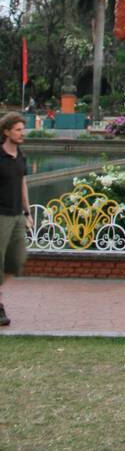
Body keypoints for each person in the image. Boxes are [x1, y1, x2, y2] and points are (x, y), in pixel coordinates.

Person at [0, 113, 32, 328]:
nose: (22, 133)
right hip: (0, 215)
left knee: (16, 260)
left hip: (17, 215)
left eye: (23, 129)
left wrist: (28, 213)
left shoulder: (20, 156)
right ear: (6, 132)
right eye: (18, 130)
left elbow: (22, 184)